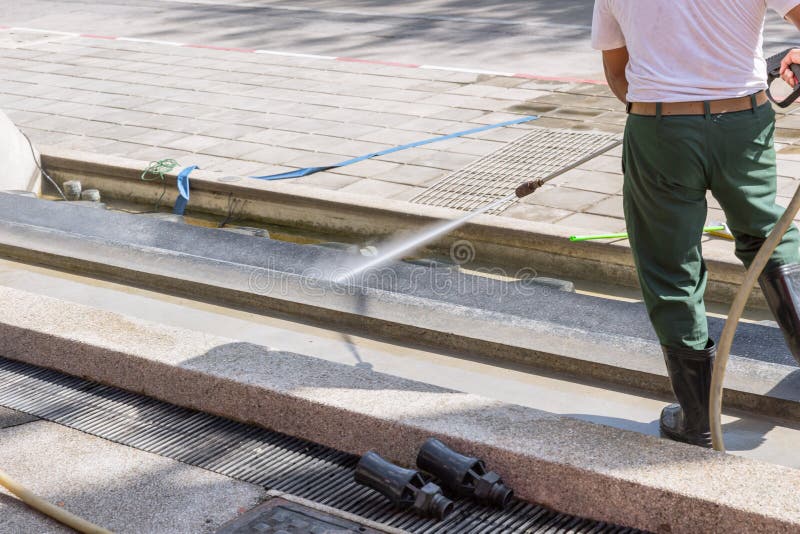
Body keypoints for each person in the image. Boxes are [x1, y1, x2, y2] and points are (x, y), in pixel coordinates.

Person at [592, 1, 800, 448]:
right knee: (768, 235)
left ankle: (698, 420)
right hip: (743, 121)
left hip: (659, 128)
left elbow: (617, 72)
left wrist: (668, 109)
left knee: (668, 262)